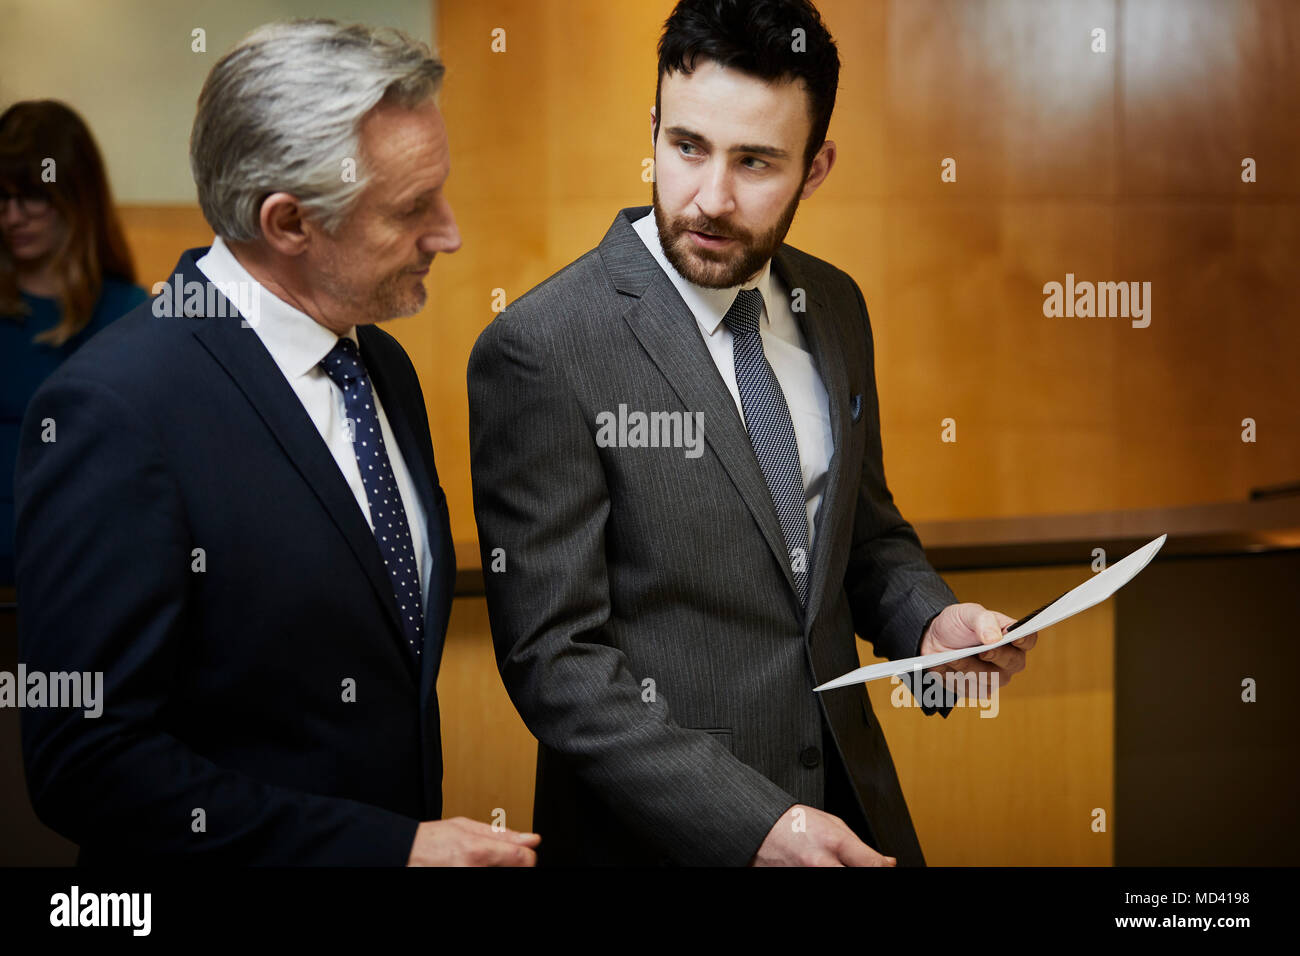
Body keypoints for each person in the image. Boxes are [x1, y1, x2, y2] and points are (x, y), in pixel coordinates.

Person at [468, 0, 1037, 866]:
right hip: (657, 842)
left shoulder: (835, 305)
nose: (711, 197)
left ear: (816, 168)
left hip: (852, 806)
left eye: (758, 162)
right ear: (653, 130)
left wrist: (929, 621)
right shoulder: (544, 347)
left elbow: (865, 534)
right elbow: (557, 660)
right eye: (687, 146)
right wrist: (751, 821)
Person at [15, 20, 538, 865]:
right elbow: (88, 762)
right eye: (413, 208)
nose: (449, 234)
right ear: (290, 222)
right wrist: (387, 849)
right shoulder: (115, 410)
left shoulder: (381, 367)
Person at [0, 101, 147, 587]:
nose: (12, 217)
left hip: (82, 585)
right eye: (1, 198)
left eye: (30, 198)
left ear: (76, 197)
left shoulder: (128, 316)